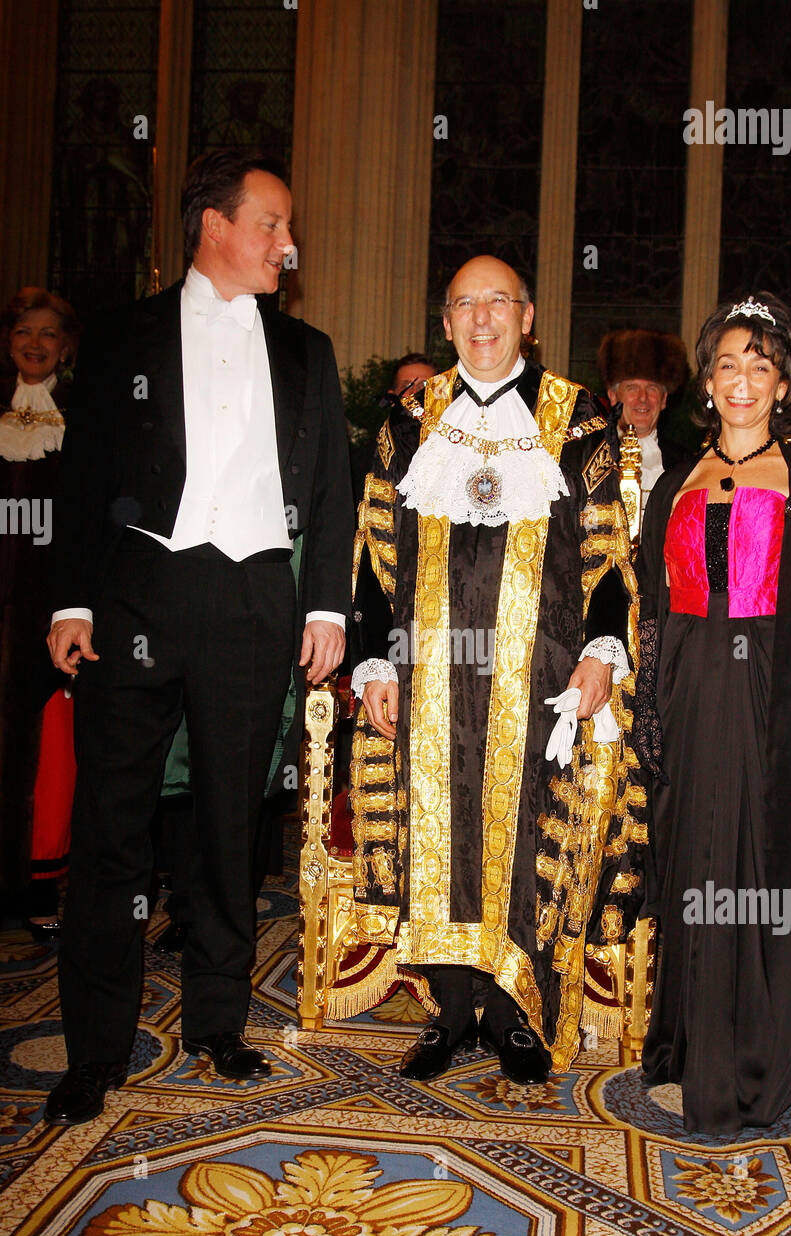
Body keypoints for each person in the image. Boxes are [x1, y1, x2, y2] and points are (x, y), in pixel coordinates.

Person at [44, 148, 353, 1125]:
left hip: (257, 600)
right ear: (213, 226)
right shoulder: (125, 336)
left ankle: (219, 1023)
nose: (286, 243)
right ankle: (93, 1049)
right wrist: (71, 602)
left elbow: (335, 496)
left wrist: (327, 609)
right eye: (270, 224)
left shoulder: (310, 352)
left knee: (231, 824)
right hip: (140, 594)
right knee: (113, 829)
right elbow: (81, 477)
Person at [350, 255, 644, 1084]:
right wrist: (375, 659)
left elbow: (609, 555)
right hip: (429, 676)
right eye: (463, 306)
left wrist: (600, 652)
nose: (481, 320)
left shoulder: (579, 418)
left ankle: (517, 1014)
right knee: (441, 830)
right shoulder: (407, 421)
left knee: (522, 831)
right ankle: (448, 1013)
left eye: (498, 304)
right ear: (444, 323)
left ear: (529, 317)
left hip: (538, 676)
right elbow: (371, 554)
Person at [634, 293, 791, 1137]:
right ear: (707, 380)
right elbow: (653, 610)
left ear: (782, 386)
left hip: (775, 704)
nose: (742, 381)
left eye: (760, 366)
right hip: (691, 698)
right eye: (727, 364)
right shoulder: (672, 482)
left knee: (764, 875)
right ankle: (693, 1049)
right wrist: (647, 708)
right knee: (697, 865)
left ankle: (759, 1064)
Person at [0, 288, 79, 938]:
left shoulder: (78, 422)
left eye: (48, 333)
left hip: (47, 611)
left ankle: (35, 888)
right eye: (24, 330)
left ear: (65, 346)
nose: (35, 342)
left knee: (46, 752)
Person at [598, 329, 690, 527]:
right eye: (631, 388)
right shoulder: (592, 458)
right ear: (613, 396)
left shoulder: (686, 464)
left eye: (652, 388)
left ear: (664, 399)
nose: (643, 398)